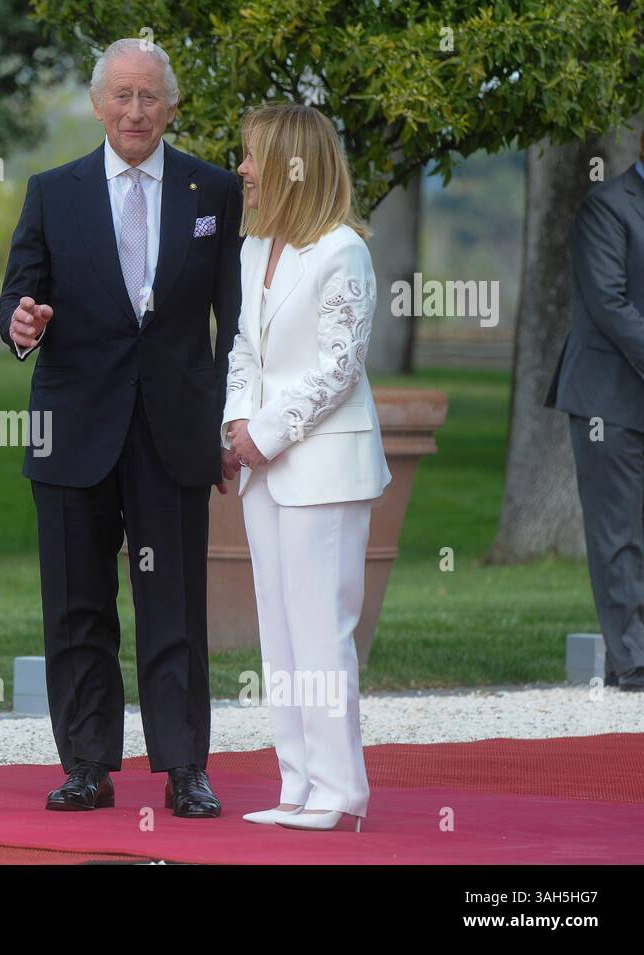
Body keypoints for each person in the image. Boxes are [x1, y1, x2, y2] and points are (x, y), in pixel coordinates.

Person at [0, 38, 242, 815]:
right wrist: (19, 321)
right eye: (121, 96)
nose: (135, 111)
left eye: (149, 97)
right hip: (72, 428)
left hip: (173, 430)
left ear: (171, 107)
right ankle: (87, 765)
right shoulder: (52, 191)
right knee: (76, 606)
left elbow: (235, 320)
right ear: (99, 105)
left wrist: (231, 416)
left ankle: (184, 768)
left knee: (173, 606)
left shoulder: (215, 189)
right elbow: (16, 298)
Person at [221, 102, 391, 832]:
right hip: (263, 467)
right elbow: (243, 348)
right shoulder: (253, 251)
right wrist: (234, 421)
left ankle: (339, 790)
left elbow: (340, 366)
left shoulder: (343, 251)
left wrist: (265, 432)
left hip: (324, 468)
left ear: (293, 163)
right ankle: (297, 782)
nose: (243, 170)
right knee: (281, 630)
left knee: (323, 629)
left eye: (254, 156)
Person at [545, 127, 644, 692]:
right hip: (608, 398)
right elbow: (609, 301)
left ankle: (635, 651)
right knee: (618, 533)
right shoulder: (607, 207)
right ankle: (633, 660)